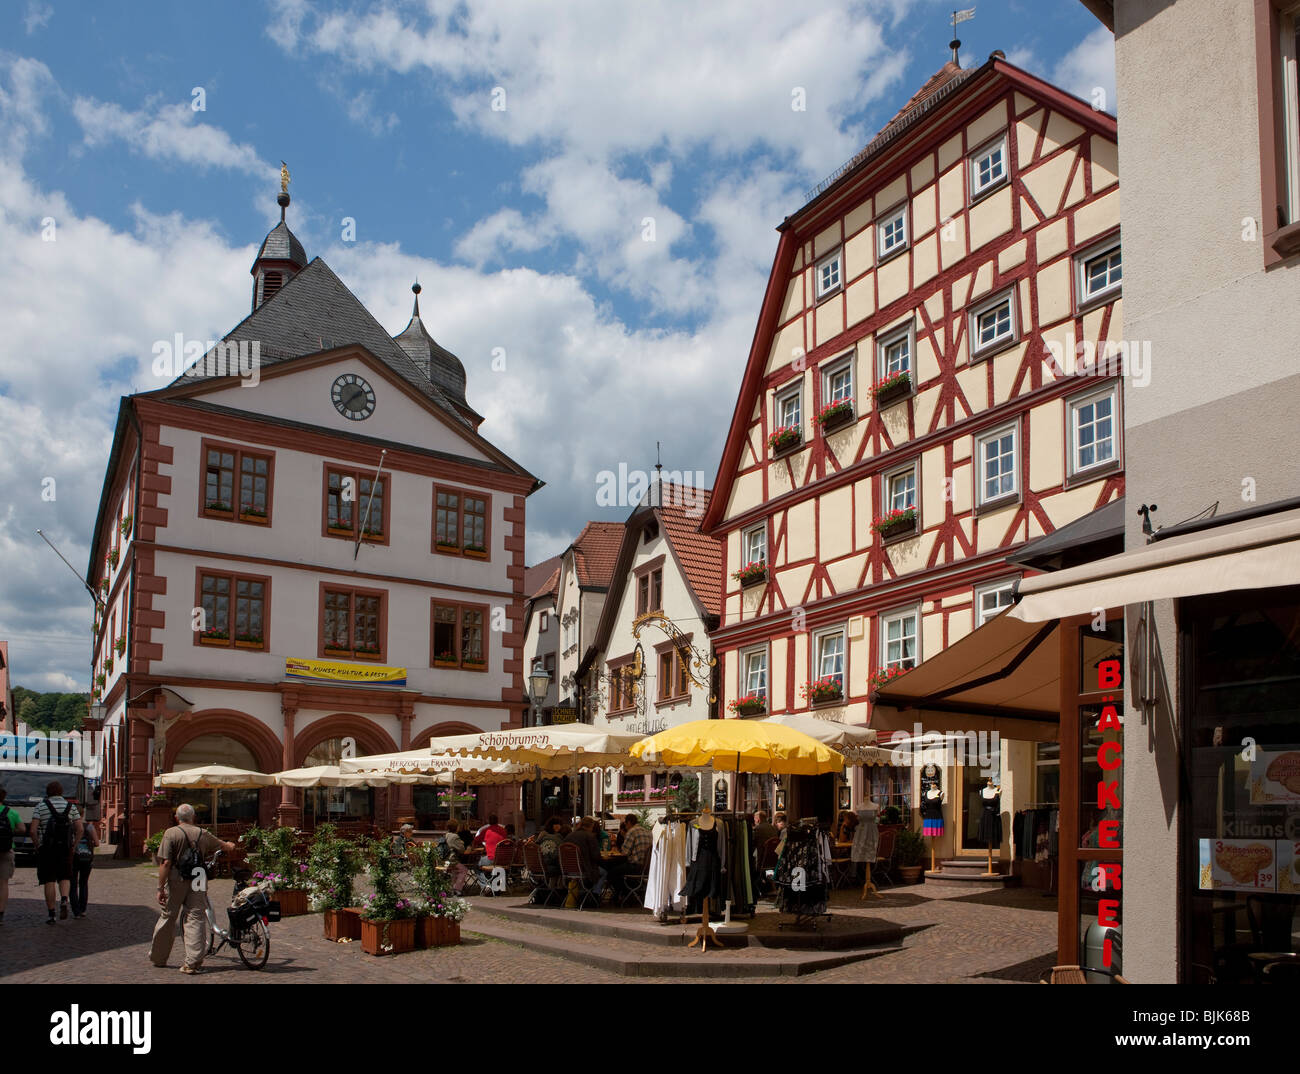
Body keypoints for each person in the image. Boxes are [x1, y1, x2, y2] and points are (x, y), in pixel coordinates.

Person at [149, 804, 236, 973]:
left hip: (177, 878)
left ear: (176, 818)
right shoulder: (202, 833)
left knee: (168, 917)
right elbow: (222, 845)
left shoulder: (171, 833)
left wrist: (160, 887)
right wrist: (230, 845)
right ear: (193, 817)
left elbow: (165, 862)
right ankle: (193, 962)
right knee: (196, 917)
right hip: (198, 878)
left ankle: (159, 957)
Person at [28, 780, 83, 925]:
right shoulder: (71, 807)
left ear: (48, 792)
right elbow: (80, 829)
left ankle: (51, 914)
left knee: (49, 880)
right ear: (61, 792)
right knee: (65, 876)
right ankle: (64, 899)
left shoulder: (40, 806)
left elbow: (33, 830)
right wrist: (74, 844)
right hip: (65, 848)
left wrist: (37, 845)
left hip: (47, 849)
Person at [561, 816, 606, 898]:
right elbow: (596, 857)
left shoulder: (569, 836)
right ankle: (594, 895)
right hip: (584, 869)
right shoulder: (590, 836)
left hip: (568, 870)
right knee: (604, 872)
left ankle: (584, 894)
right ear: (591, 826)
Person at [70, 813, 100, 918]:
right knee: (83, 883)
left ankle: (76, 911)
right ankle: (83, 909)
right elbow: (97, 843)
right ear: (82, 814)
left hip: (72, 858)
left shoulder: (69, 827)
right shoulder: (89, 826)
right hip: (86, 858)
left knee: (72, 884)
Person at [0, 786, 21, 926]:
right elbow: (22, 828)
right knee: (3, 883)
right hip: (6, 850)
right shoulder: (11, 813)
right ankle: (0, 913)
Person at [441, 819, 471, 893]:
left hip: (444, 860)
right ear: (456, 827)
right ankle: (457, 889)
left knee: (455, 871)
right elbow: (462, 849)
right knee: (464, 870)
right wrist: (462, 843)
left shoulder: (445, 835)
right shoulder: (455, 836)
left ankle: (452, 888)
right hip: (452, 860)